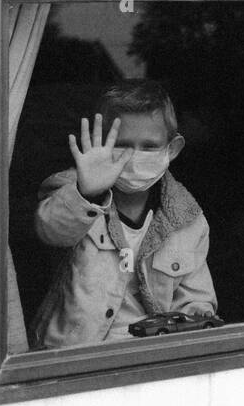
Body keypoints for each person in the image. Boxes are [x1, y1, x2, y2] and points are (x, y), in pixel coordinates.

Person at [31, 80, 218, 349]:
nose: (134, 155)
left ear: (172, 149)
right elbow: (50, 230)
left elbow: (194, 297)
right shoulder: (72, 190)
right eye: (123, 145)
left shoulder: (189, 220)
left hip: (146, 357)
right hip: (72, 356)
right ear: (100, 144)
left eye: (149, 146)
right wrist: (87, 192)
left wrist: (198, 314)